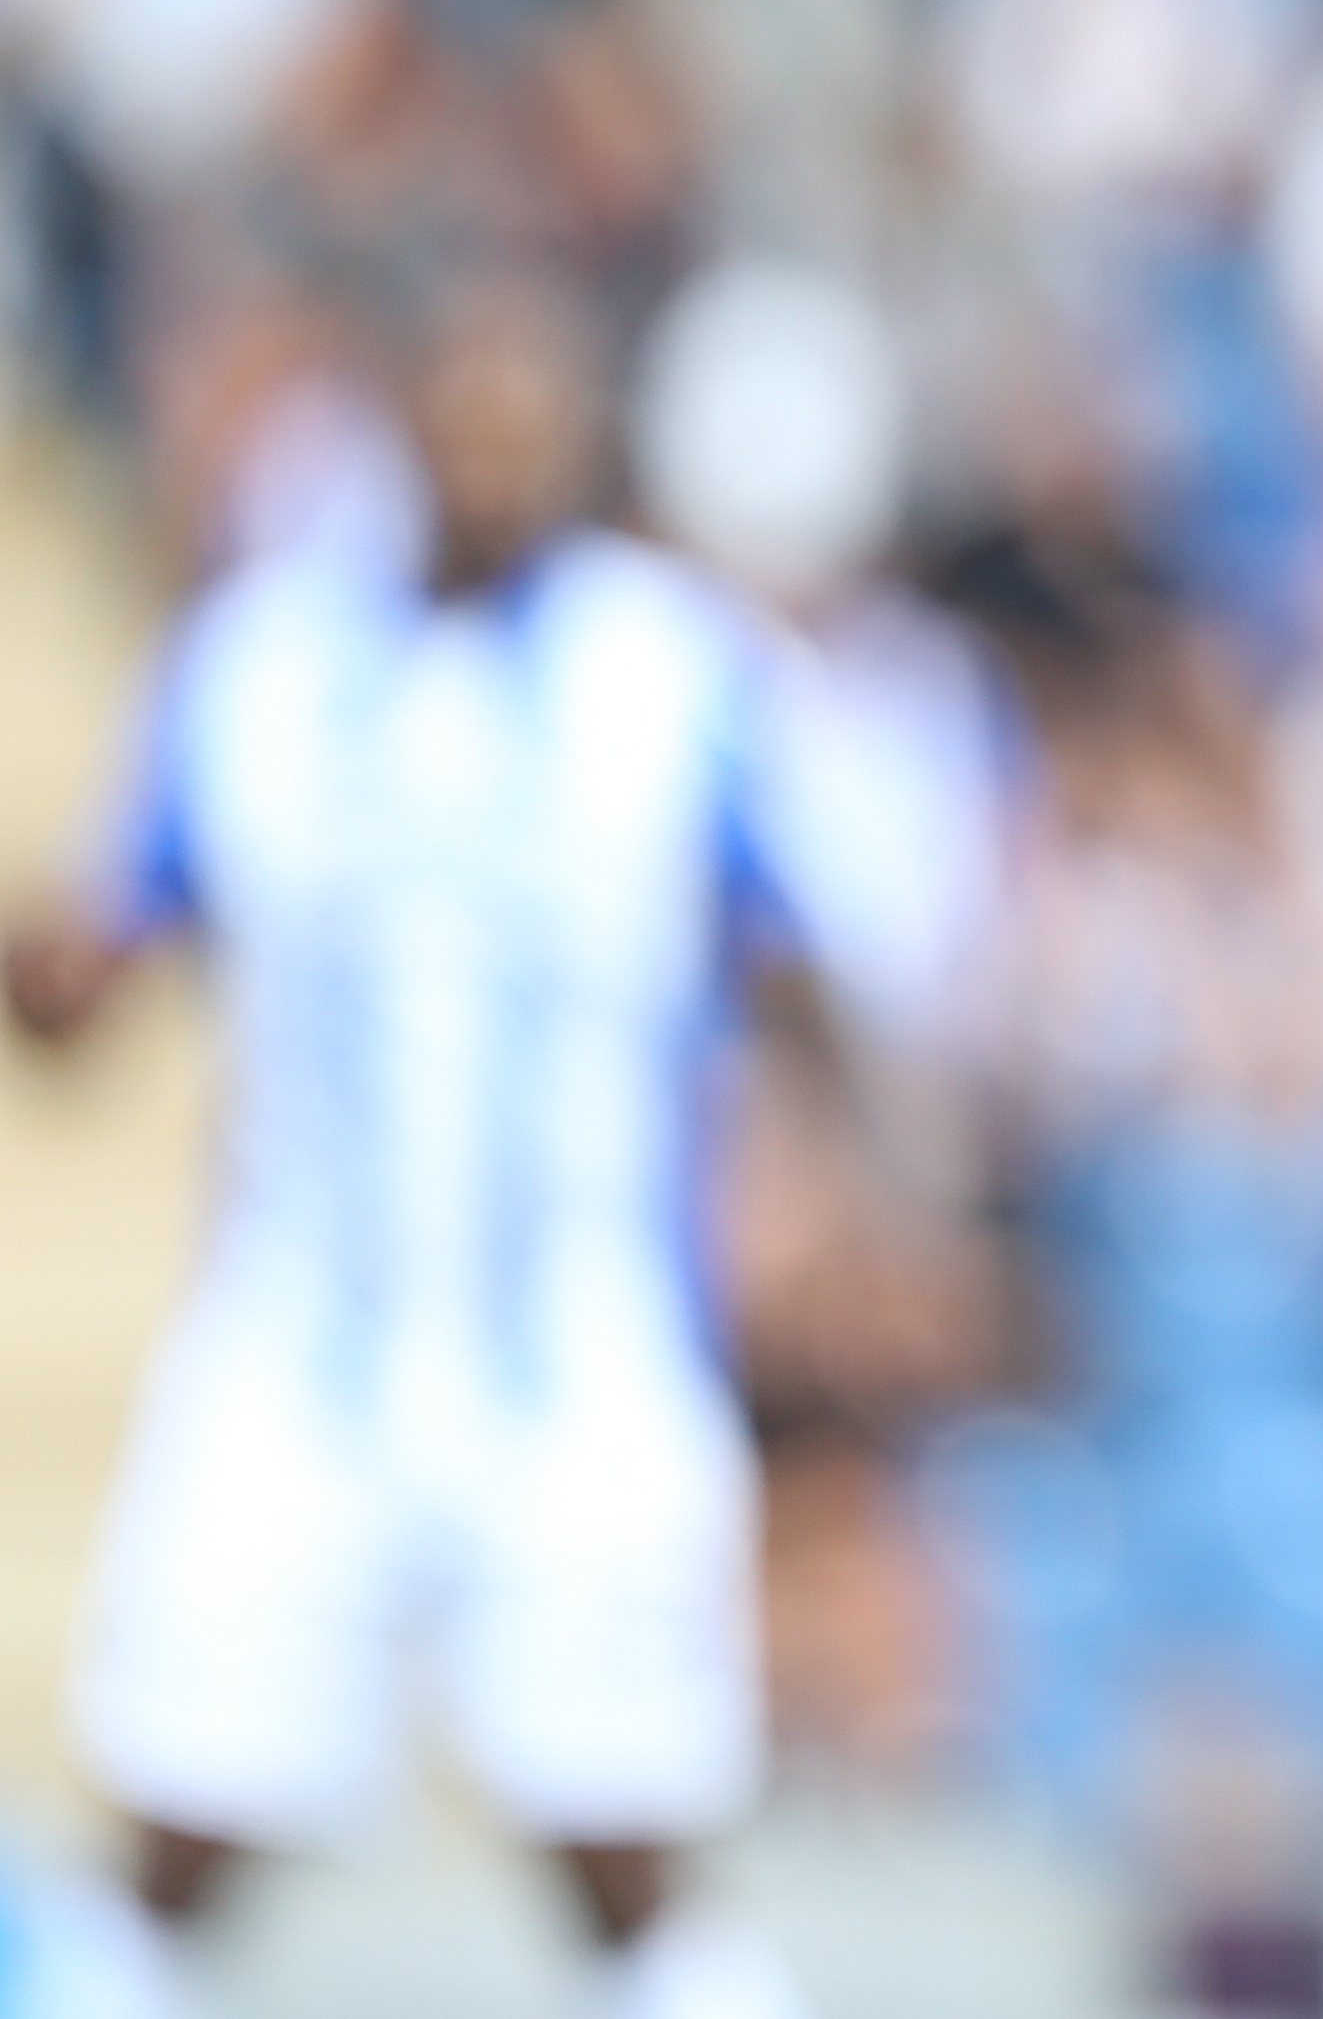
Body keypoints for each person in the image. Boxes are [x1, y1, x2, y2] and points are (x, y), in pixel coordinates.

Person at [3, 270, 838, 2019]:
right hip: (304, 1350)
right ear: (401, 423)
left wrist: (816, 1191)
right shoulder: (260, 664)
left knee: (623, 1848)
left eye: (528, 412)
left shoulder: (673, 673)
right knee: (179, 1823)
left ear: (585, 440)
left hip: (583, 1351)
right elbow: (97, 977)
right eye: (463, 406)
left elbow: (817, 962)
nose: (492, 447)